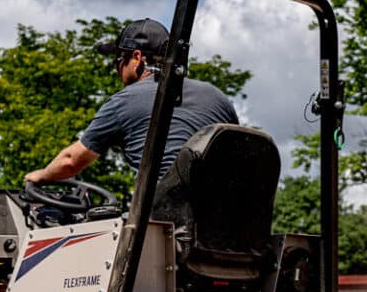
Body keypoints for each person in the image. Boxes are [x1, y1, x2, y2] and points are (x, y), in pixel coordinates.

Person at [23, 18, 239, 186]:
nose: (117, 71)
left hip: (166, 225)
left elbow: (71, 161)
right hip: (227, 224)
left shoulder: (123, 102)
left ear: (136, 58)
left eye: (118, 61)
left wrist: (40, 176)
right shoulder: (217, 96)